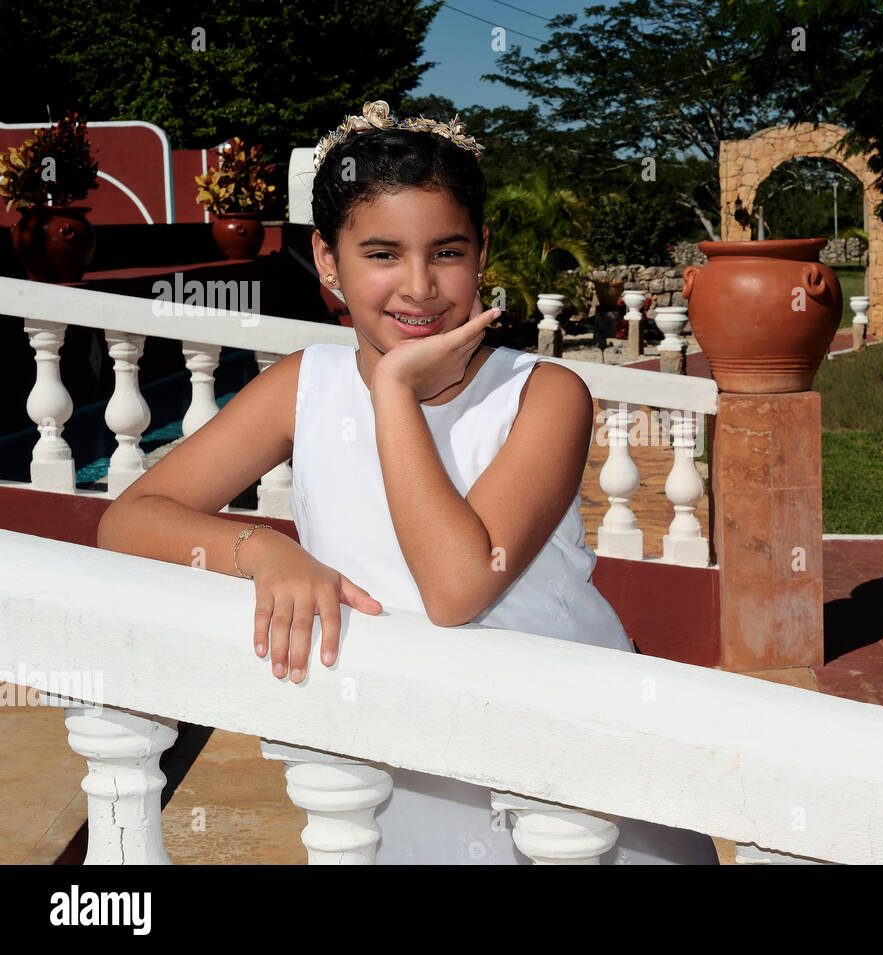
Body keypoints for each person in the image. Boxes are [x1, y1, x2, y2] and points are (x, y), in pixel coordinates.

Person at [283, 101, 718, 864]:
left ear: (481, 252)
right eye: (381, 253)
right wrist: (268, 555)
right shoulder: (303, 384)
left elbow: (455, 589)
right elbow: (134, 518)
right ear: (327, 260)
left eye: (445, 252)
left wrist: (392, 394)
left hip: (573, 761)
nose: (418, 286)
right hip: (403, 769)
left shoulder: (544, 395)